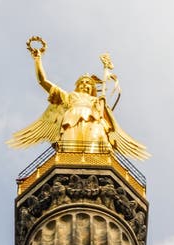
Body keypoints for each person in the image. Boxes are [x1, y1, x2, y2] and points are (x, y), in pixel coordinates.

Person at [8, 39, 149, 160]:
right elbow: (43, 81)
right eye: (83, 82)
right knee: (69, 153)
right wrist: (37, 60)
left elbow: (104, 117)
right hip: (71, 124)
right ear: (77, 84)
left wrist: (102, 104)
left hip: (94, 124)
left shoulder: (96, 101)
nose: (85, 84)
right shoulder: (69, 97)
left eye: (89, 83)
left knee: (97, 150)